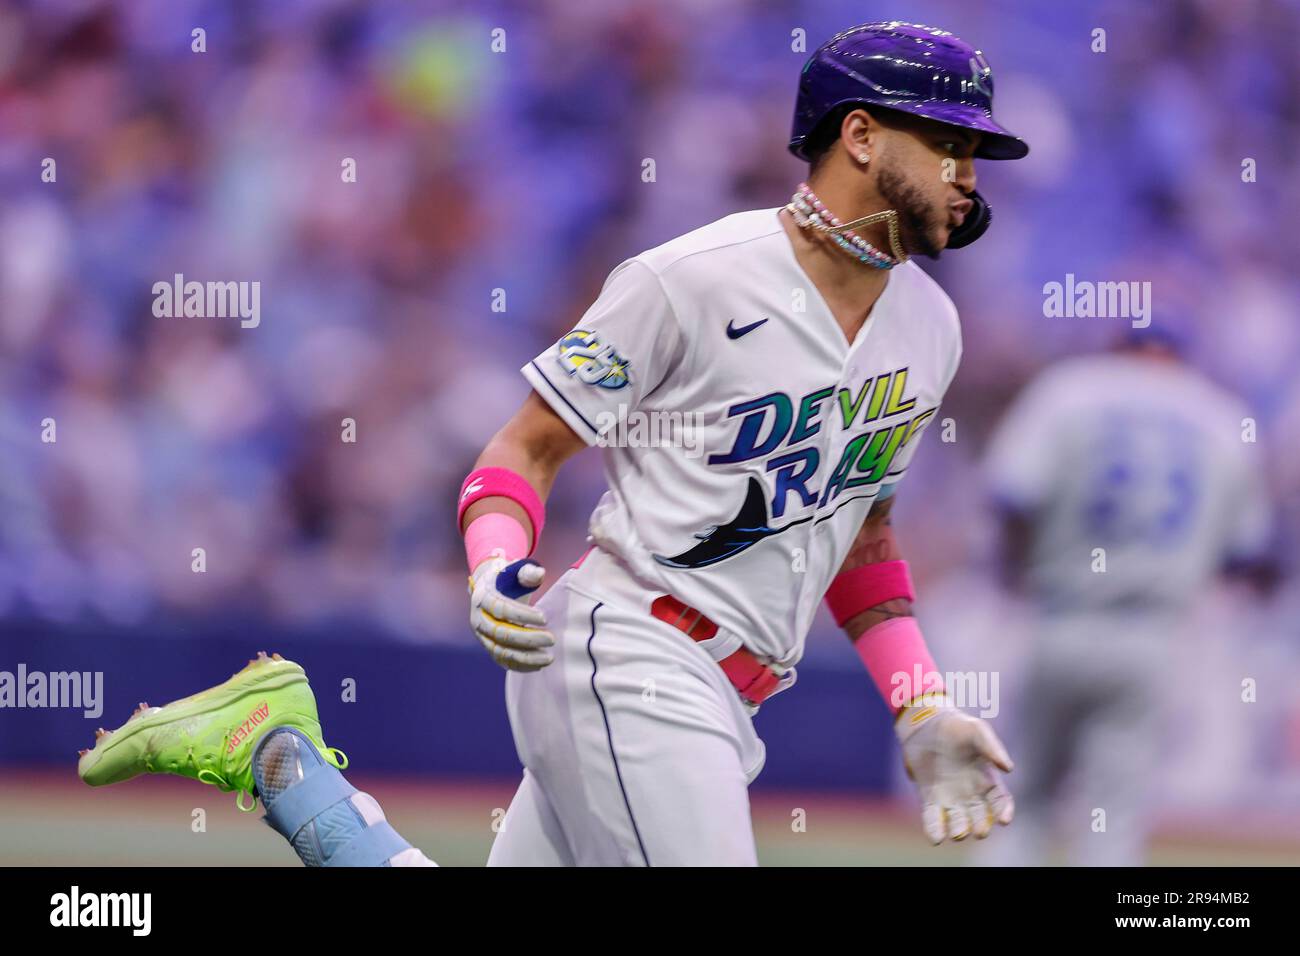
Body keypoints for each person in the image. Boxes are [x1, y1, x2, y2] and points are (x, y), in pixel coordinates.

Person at [80, 22, 1027, 867]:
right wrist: (494, 568)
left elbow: (859, 536)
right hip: (633, 653)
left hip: (731, 693)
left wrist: (920, 701)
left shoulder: (930, 327)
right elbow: (520, 450)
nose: (968, 176)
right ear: (859, 135)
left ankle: (280, 763)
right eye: (947, 143)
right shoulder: (688, 279)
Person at [977, 331, 1274, 865]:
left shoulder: (1069, 389)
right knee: (1114, 818)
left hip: (1060, 616)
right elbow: (1247, 551)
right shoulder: (1221, 415)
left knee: (1024, 801)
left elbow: (1013, 495)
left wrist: (1015, 581)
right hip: (1153, 634)